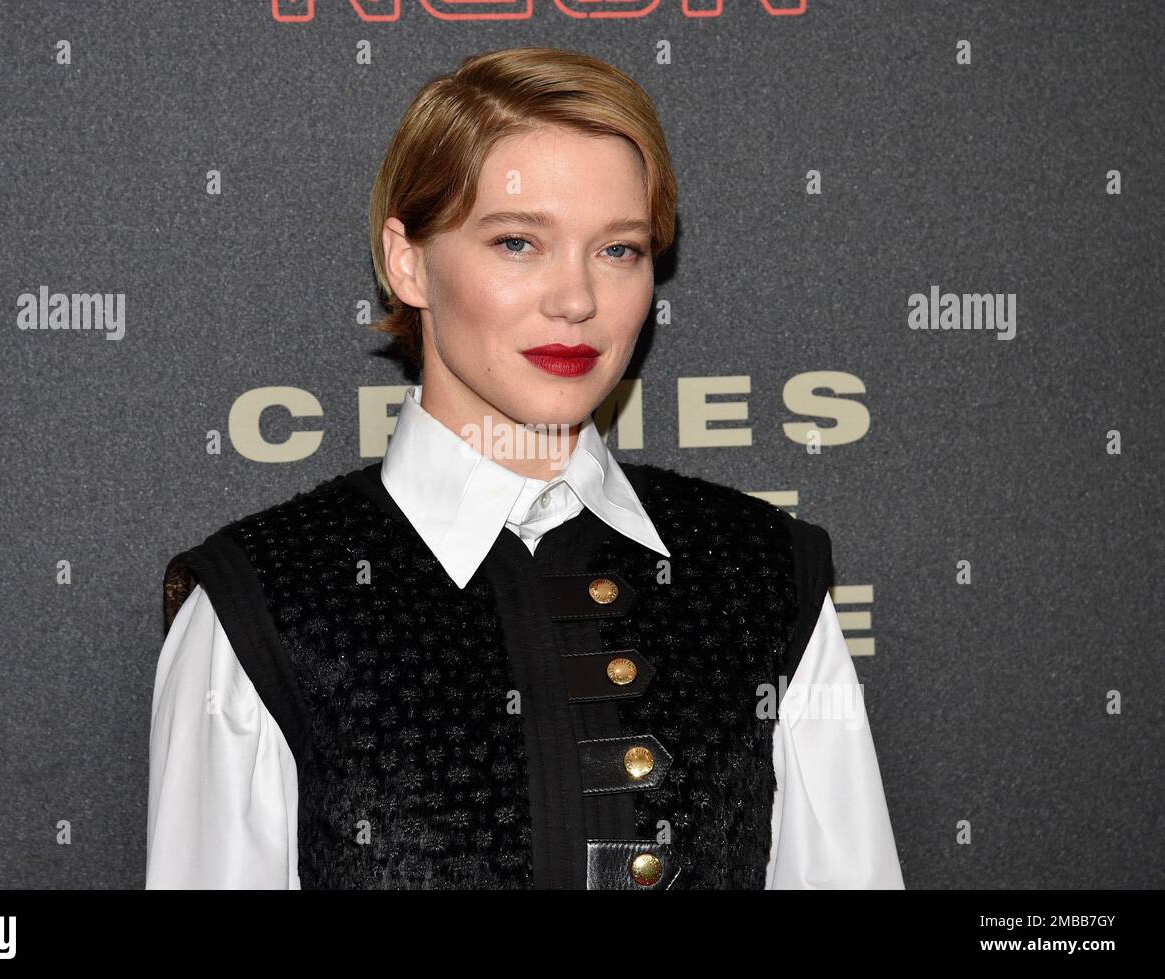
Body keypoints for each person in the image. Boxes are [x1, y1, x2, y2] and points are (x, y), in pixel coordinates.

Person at [146, 46, 904, 890]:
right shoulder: (259, 602)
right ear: (408, 262)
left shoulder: (764, 572)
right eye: (517, 242)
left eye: (618, 250)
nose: (576, 299)